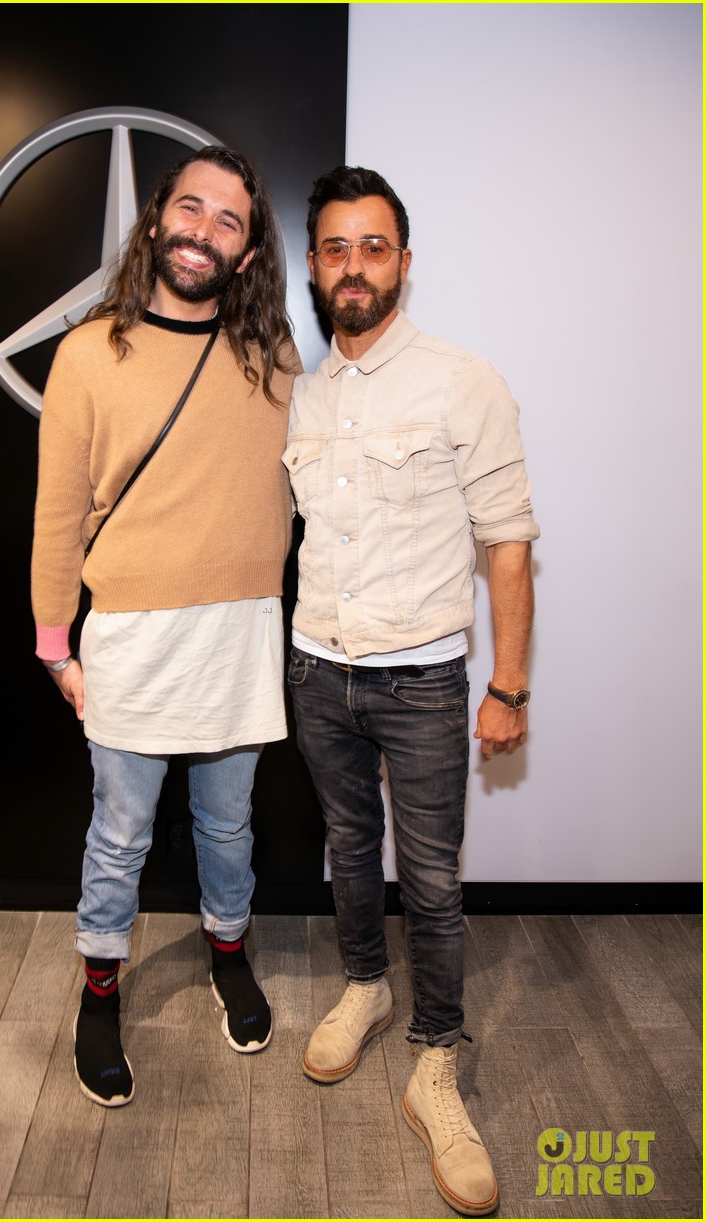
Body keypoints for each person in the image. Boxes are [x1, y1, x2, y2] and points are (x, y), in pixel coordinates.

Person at [284, 166, 538, 1217]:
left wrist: (508, 688)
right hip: (314, 668)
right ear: (313, 265)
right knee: (349, 847)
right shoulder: (300, 388)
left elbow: (509, 545)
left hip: (424, 677)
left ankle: (436, 1059)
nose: (354, 266)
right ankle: (363, 986)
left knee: (430, 880)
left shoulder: (459, 379)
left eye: (373, 246)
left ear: (402, 261)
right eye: (335, 247)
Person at [31, 146, 299, 1108]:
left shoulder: (271, 355)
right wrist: (54, 646)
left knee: (228, 827)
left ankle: (230, 956)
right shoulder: (87, 352)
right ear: (155, 222)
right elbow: (58, 513)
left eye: (230, 220)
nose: (205, 231)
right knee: (121, 835)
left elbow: (305, 491)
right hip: (134, 639)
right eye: (192, 210)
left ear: (248, 250)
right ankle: (99, 993)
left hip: (241, 635)